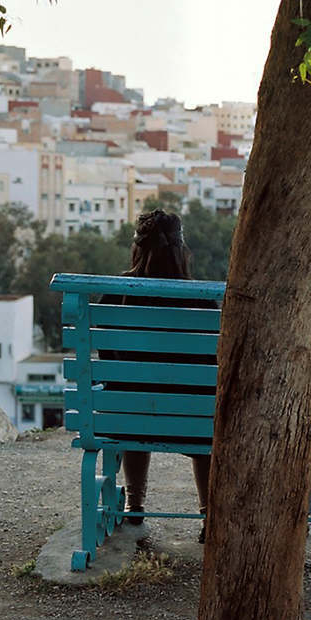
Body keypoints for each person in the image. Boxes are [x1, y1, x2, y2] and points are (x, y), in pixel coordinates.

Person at [101, 209, 213, 538]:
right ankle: (209, 514)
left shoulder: (115, 293)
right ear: (182, 251)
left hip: (126, 416)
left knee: (131, 395)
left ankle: (135, 505)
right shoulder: (202, 300)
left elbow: (108, 358)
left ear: (137, 248)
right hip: (193, 421)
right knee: (204, 406)